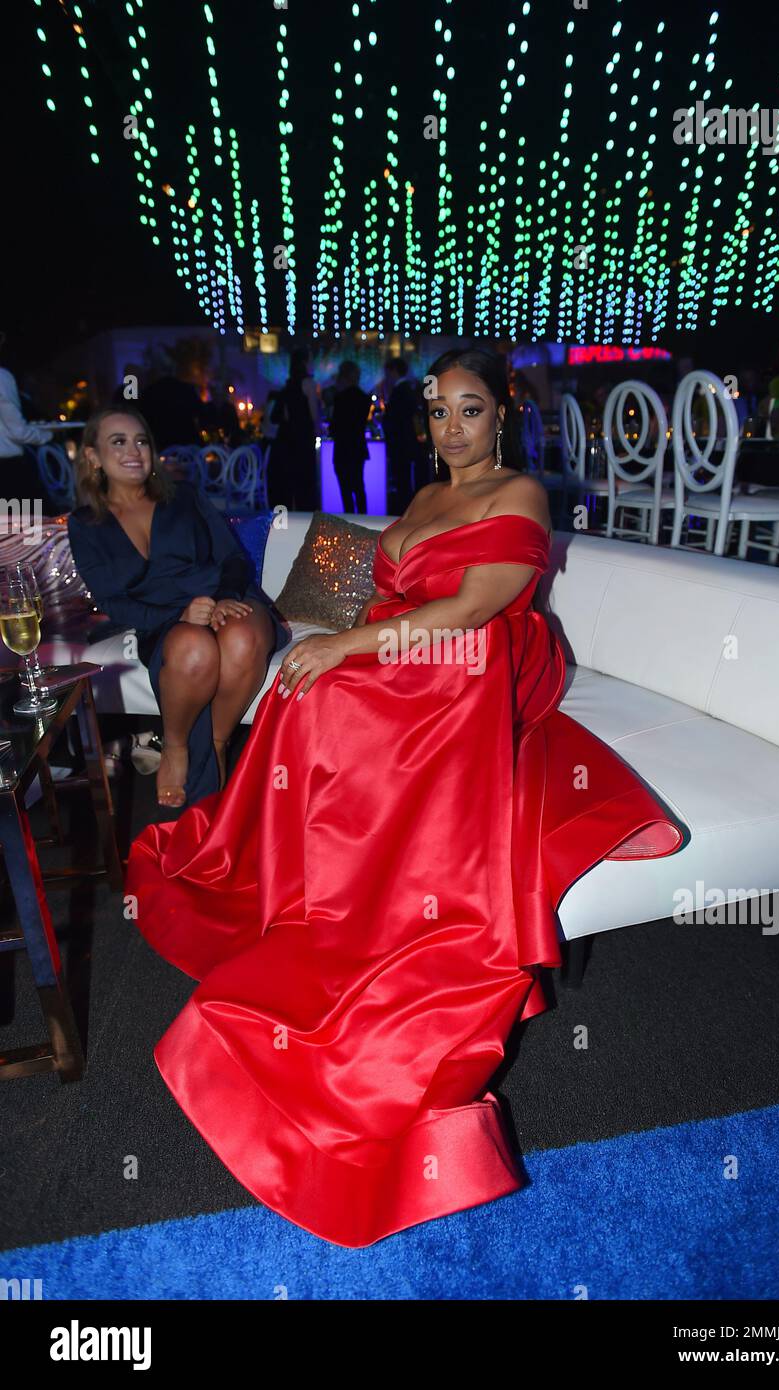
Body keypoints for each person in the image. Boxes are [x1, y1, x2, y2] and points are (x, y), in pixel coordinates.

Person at [123, 346, 685, 1248]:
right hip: (414, 645)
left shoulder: (519, 492)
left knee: (329, 691)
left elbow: (471, 610)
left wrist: (344, 649)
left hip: (483, 653)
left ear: (502, 414)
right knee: (306, 695)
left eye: (471, 409)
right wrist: (332, 637)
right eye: (438, 411)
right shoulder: (421, 497)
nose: (452, 427)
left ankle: (366, 904)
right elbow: (384, 598)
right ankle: (313, 888)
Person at [66, 407, 288, 809]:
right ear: (93, 457)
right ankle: (176, 745)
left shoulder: (183, 497)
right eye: (118, 442)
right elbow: (112, 602)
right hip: (164, 622)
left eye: (141, 441)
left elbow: (233, 559)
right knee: (193, 647)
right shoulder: (86, 524)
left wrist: (226, 597)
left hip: (230, 596)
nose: (134, 451)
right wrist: (180, 616)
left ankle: (215, 745)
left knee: (240, 637)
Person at [0, 331, 54, 505]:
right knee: (27, 521)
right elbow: (18, 432)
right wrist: (48, 435)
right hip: (7, 471)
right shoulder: (2, 377)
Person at [266, 348, 321, 510]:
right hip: (303, 440)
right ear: (304, 363)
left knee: (289, 487)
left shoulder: (288, 386)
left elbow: (281, 417)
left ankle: (288, 522)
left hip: (287, 441)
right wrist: (318, 430)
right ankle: (305, 521)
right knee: (305, 487)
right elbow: (314, 415)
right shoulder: (309, 384)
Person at [382, 356, 425, 513]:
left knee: (403, 485)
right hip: (405, 446)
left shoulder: (400, 391)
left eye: (387, 372)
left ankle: (405, 514)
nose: (386, 377)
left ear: (393, 371)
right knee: (405, 483)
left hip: (401, 447)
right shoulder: (407, 390)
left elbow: (396, 422)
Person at [330, 360, 371, 513]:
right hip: (358, 447)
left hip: (342, 448)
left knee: (346, 490)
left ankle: (349, 520)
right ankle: (364, 520)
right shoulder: (364, 398)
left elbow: (335, 426)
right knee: (359, 487)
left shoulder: (339, 398)